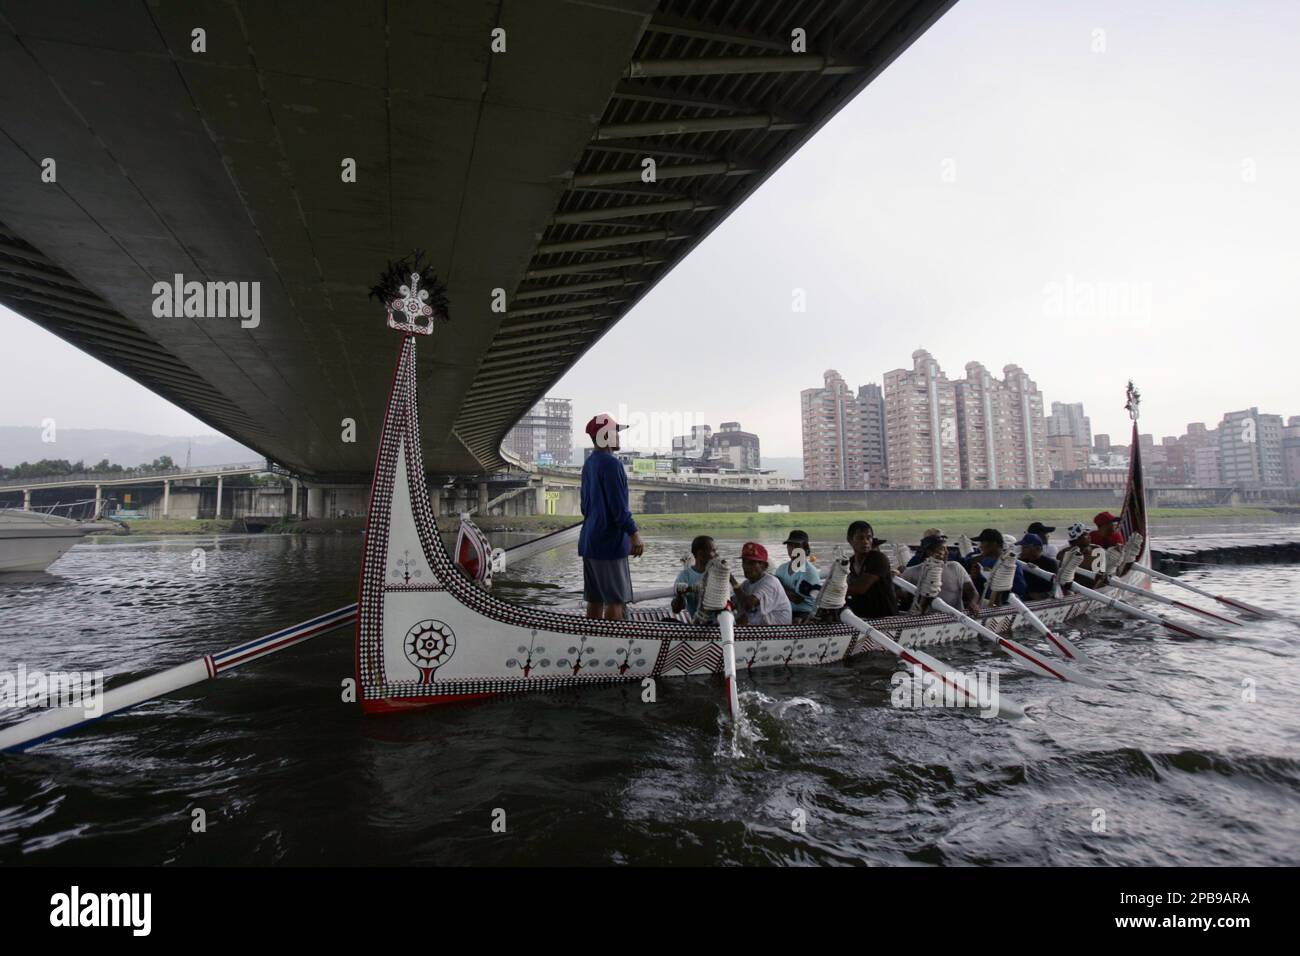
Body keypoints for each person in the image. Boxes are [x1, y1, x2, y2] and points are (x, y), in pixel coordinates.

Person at [578, 413, 643, 620]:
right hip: (609, 543)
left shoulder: (589, 464)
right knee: (615, 601)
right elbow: (619, 509)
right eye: (616, 432)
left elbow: (585, 507)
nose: (619, 436)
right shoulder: (612, 464)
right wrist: (634, 534)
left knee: (595, 600)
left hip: (589, 541)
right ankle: (612, 649)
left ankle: (590, 644)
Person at [898, 533, 979, 613]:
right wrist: (894, 576)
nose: (947, 552)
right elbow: (898, 594)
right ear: (929, 552)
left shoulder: (955, 567)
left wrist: (973, 603)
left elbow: (972, 592)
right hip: (926, 620)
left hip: (955, 618)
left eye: (947, 549)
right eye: (942, 549)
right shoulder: (911, 572)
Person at [845, 520, 899, 618]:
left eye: (868, 538)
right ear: (850, 540)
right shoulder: (850, 562)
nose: (865, 542)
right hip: (863, 616)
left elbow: (859, 588)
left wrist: (831, 591)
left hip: (885, 617)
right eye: (860, 538)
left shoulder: (879, 558)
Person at [732, 541, 792, 625]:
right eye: (744, 562)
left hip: (778, 631)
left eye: (752, 563)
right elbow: (733, 601)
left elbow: (749, 605)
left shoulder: (770, 582)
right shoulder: (747, 583)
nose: (746, 566)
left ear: (764, 566)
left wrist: (732, 580)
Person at [774, 530, 822, 622]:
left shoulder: (809, 572)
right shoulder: (781, 569)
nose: (792, 549)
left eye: (796, 546)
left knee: (797, 621)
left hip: (804, 612)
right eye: (790, 545)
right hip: (785, 610)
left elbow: (797, 599)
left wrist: (777, 585)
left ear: (805, 548)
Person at [966, 528, 1027, 599]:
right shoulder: (984, 561)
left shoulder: (1011, 564)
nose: (980, 546)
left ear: (994, 544)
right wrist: (976, 577)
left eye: (983, 542)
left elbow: (1020, 591)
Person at [671, 535, 715, 617]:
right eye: (713, 551)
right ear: (700, 554)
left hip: (720, 623)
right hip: (697, 624)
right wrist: (680, 596)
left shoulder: (719, 574)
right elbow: (676, 610)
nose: (716, 555)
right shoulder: (685, 576)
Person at [1018, 532, 1059, 598]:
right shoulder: (1021, 562)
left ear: (1037, 548)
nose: (1022, 550)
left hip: (1043, 597)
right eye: (1022, 547)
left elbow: (1050, 587)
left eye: (1025, 547)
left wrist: (1035, 570)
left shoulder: (1050, 563)